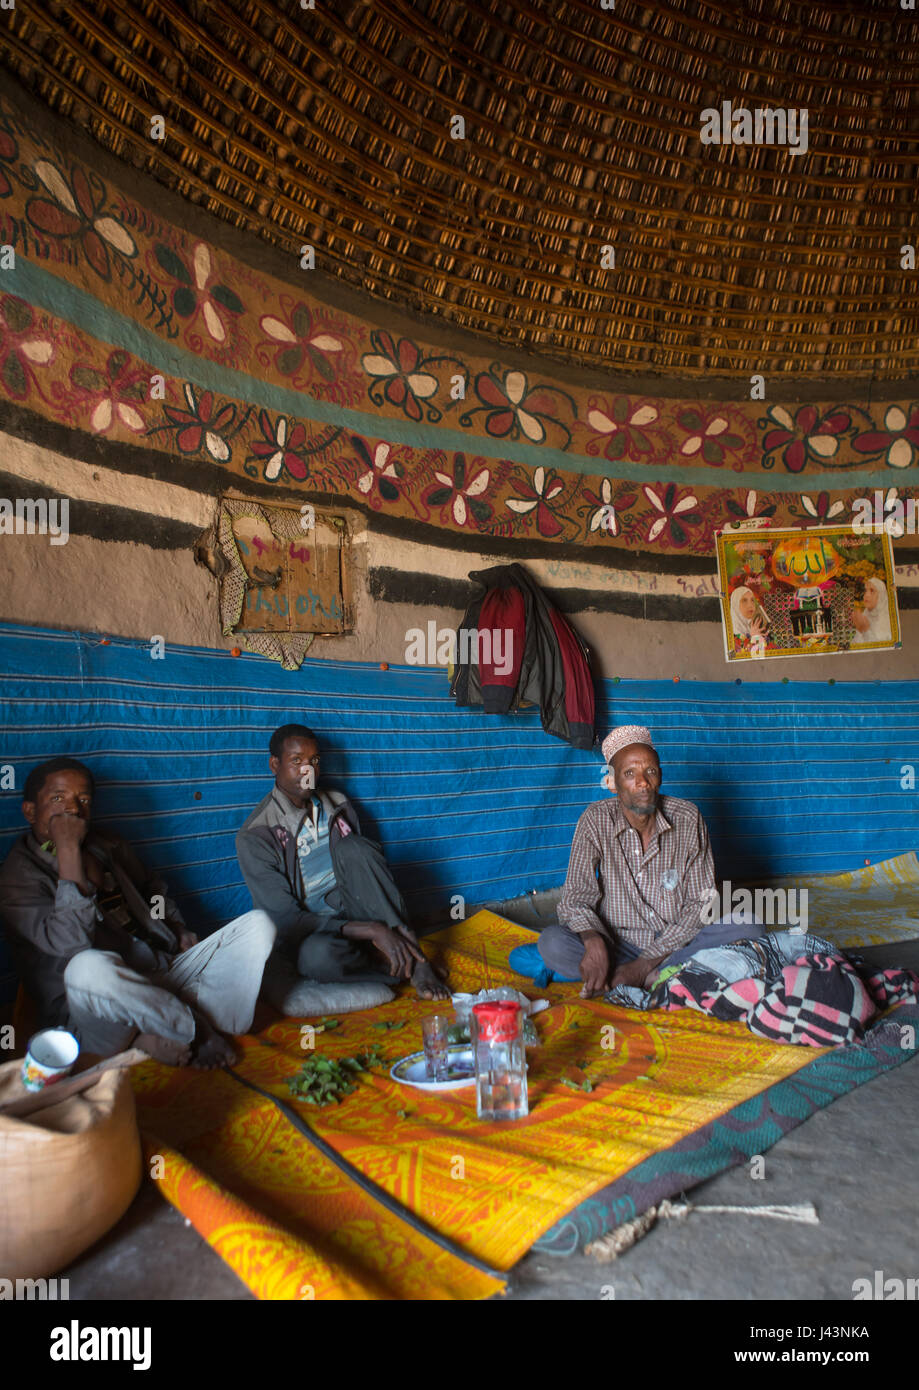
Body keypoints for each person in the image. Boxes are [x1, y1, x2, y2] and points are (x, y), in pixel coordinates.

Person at [0, 758, 275, 1068]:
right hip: (99, 1010)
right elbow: (71, 945)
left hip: (163, 972)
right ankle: (195, 1028)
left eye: (84, 799)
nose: (74, 809)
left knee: (259, 924)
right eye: (58, 797)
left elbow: (152, 886)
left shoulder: (107, 844)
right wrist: (67, 851)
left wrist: (175, 927)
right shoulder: (17, 878)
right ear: (30, 811)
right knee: (85, 966)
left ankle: (160, 1026)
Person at [537, 725, 766, 997]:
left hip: (677, 944)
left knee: (749, 925)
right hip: (617, 944)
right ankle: (666, 976)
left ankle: (638, 974)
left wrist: (643, 964)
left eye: (651, 771)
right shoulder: (595, 820)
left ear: (660, 776)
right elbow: (576, 895)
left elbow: (701, 903)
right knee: (552, 943)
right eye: (630, 773)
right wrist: (593, 941)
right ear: (612, 782)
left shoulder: (688, 818)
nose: (643, 782)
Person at [236, 724, 449, 1002]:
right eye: (296, 761)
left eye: (314, 761)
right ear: (274, 764)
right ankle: (391, 966)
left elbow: (366, 873)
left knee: (355, 847)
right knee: (317, 958)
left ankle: (417, 962)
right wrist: (372, 930)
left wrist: (376, 923)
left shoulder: (337, 803)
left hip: (355, 911)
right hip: (312, 931)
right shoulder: (256, 835)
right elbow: (286, 921)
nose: (308, 771)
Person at [851, 576, 892, 645]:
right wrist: (860, 628)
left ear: (881, 595)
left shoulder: (887, 620)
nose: (866, 595)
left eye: (872, 591)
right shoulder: (865, 615)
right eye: (865, 591)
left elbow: (881, 650)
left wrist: (865, 630)